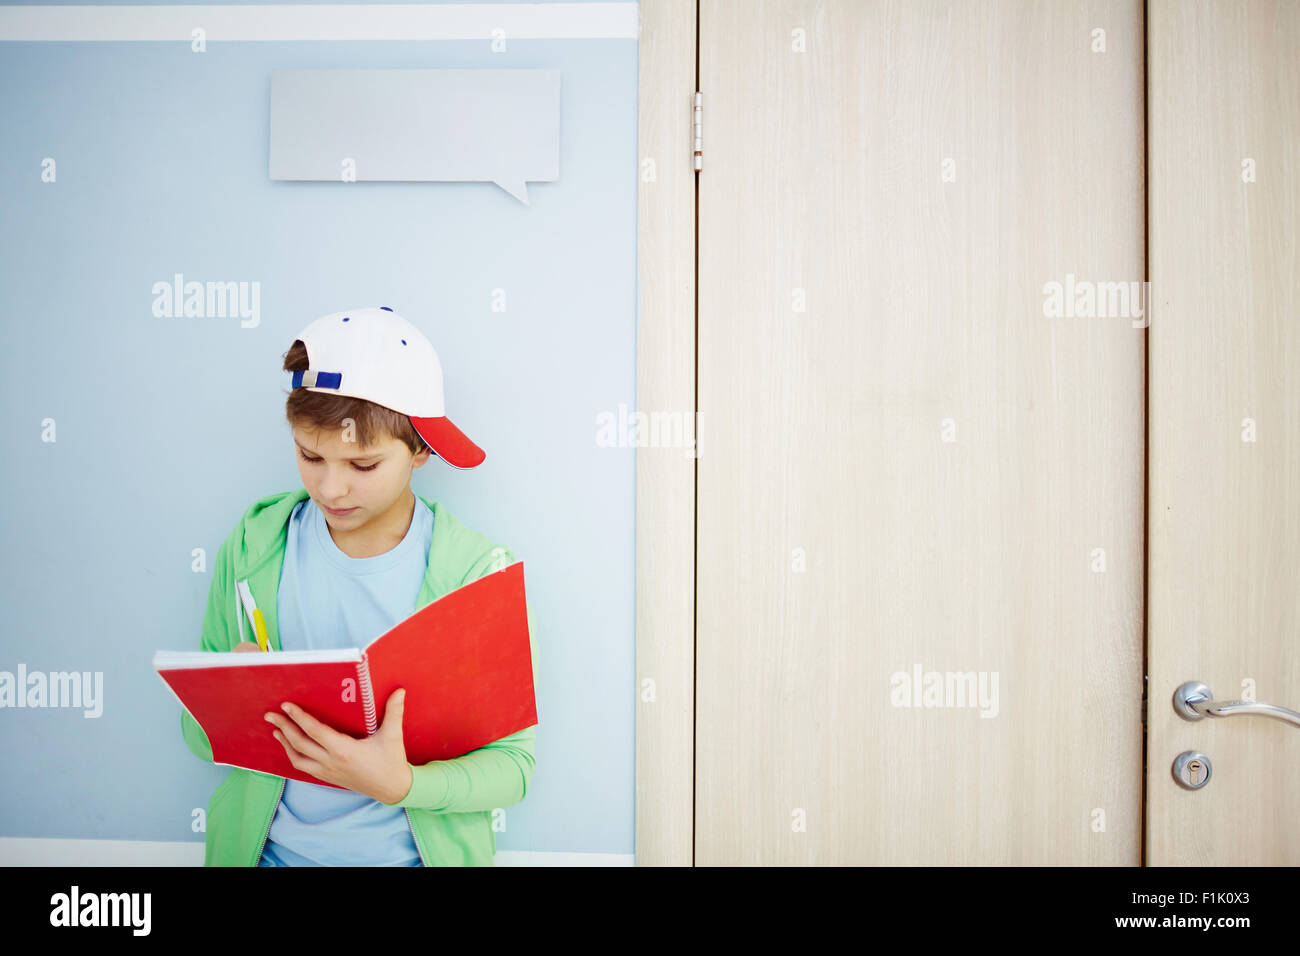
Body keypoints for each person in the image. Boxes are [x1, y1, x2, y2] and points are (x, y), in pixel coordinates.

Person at [179, 305, 538, 866]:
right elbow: (198, 740)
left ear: (422, 449)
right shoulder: (253, 548)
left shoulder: (476, 573)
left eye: (363, 465)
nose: (331, 487)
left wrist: (402, 785)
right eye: (310, 455)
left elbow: (513, 769)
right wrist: (232, 708)